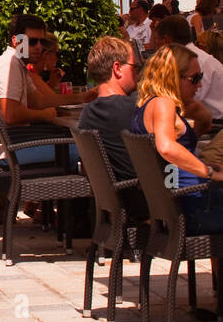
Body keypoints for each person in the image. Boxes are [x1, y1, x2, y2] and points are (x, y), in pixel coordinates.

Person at [129, 44, 223, 236]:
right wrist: (208, 171)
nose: (200, 85)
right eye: (195, 78)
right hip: (191, 210)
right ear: (172, 76)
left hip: (174, 208)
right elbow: (166, 147)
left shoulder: (147, 104)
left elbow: (172, 154)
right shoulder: (164, 104)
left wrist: (195, 160)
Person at [0, 15, 83, 165]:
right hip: (8, 153)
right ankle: (74, 187)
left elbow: (39, 100)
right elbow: (10, 115)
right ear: (16, 41)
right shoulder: (9, 65)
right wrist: (44, 115)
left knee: (74, 146)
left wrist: (82, 97)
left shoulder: (17, 64)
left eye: (42, 41)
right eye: (32, 42)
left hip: (11, 144)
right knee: (83, 151)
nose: (39, 47)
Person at [77, 36, 141, 181]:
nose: (138, 74)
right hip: (149, 196)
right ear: (117, 68)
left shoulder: (87, 114)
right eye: (135, 67)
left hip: (114, 198)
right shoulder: (135, 108)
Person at [154, 14, 223, 124]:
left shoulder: (195, 60)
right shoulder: (192, 57)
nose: (155, 45)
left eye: (156, 39)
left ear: (166, 40)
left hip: (214, 126)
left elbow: (191, 101)